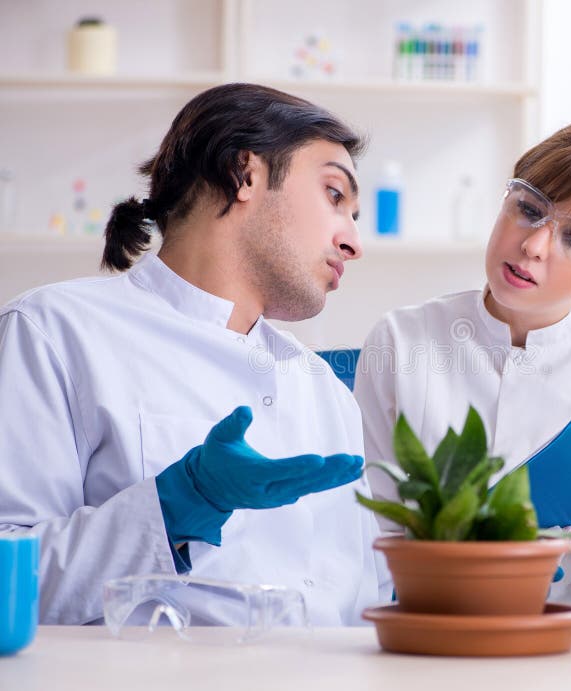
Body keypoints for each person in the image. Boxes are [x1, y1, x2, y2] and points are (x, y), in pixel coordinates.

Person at [0, 83, 391, 626]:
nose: (353, 242)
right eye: (334, 196)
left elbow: (370, 598)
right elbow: (8, 578)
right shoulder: (55, 332)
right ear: (244, 174)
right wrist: (177, 505)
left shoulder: (323, 388)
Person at [354, 121, 571, 627]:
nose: (535, 246)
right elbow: (370, 548)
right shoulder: (403, 341)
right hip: (431, 638)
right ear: (505, 201)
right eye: (529, 210)